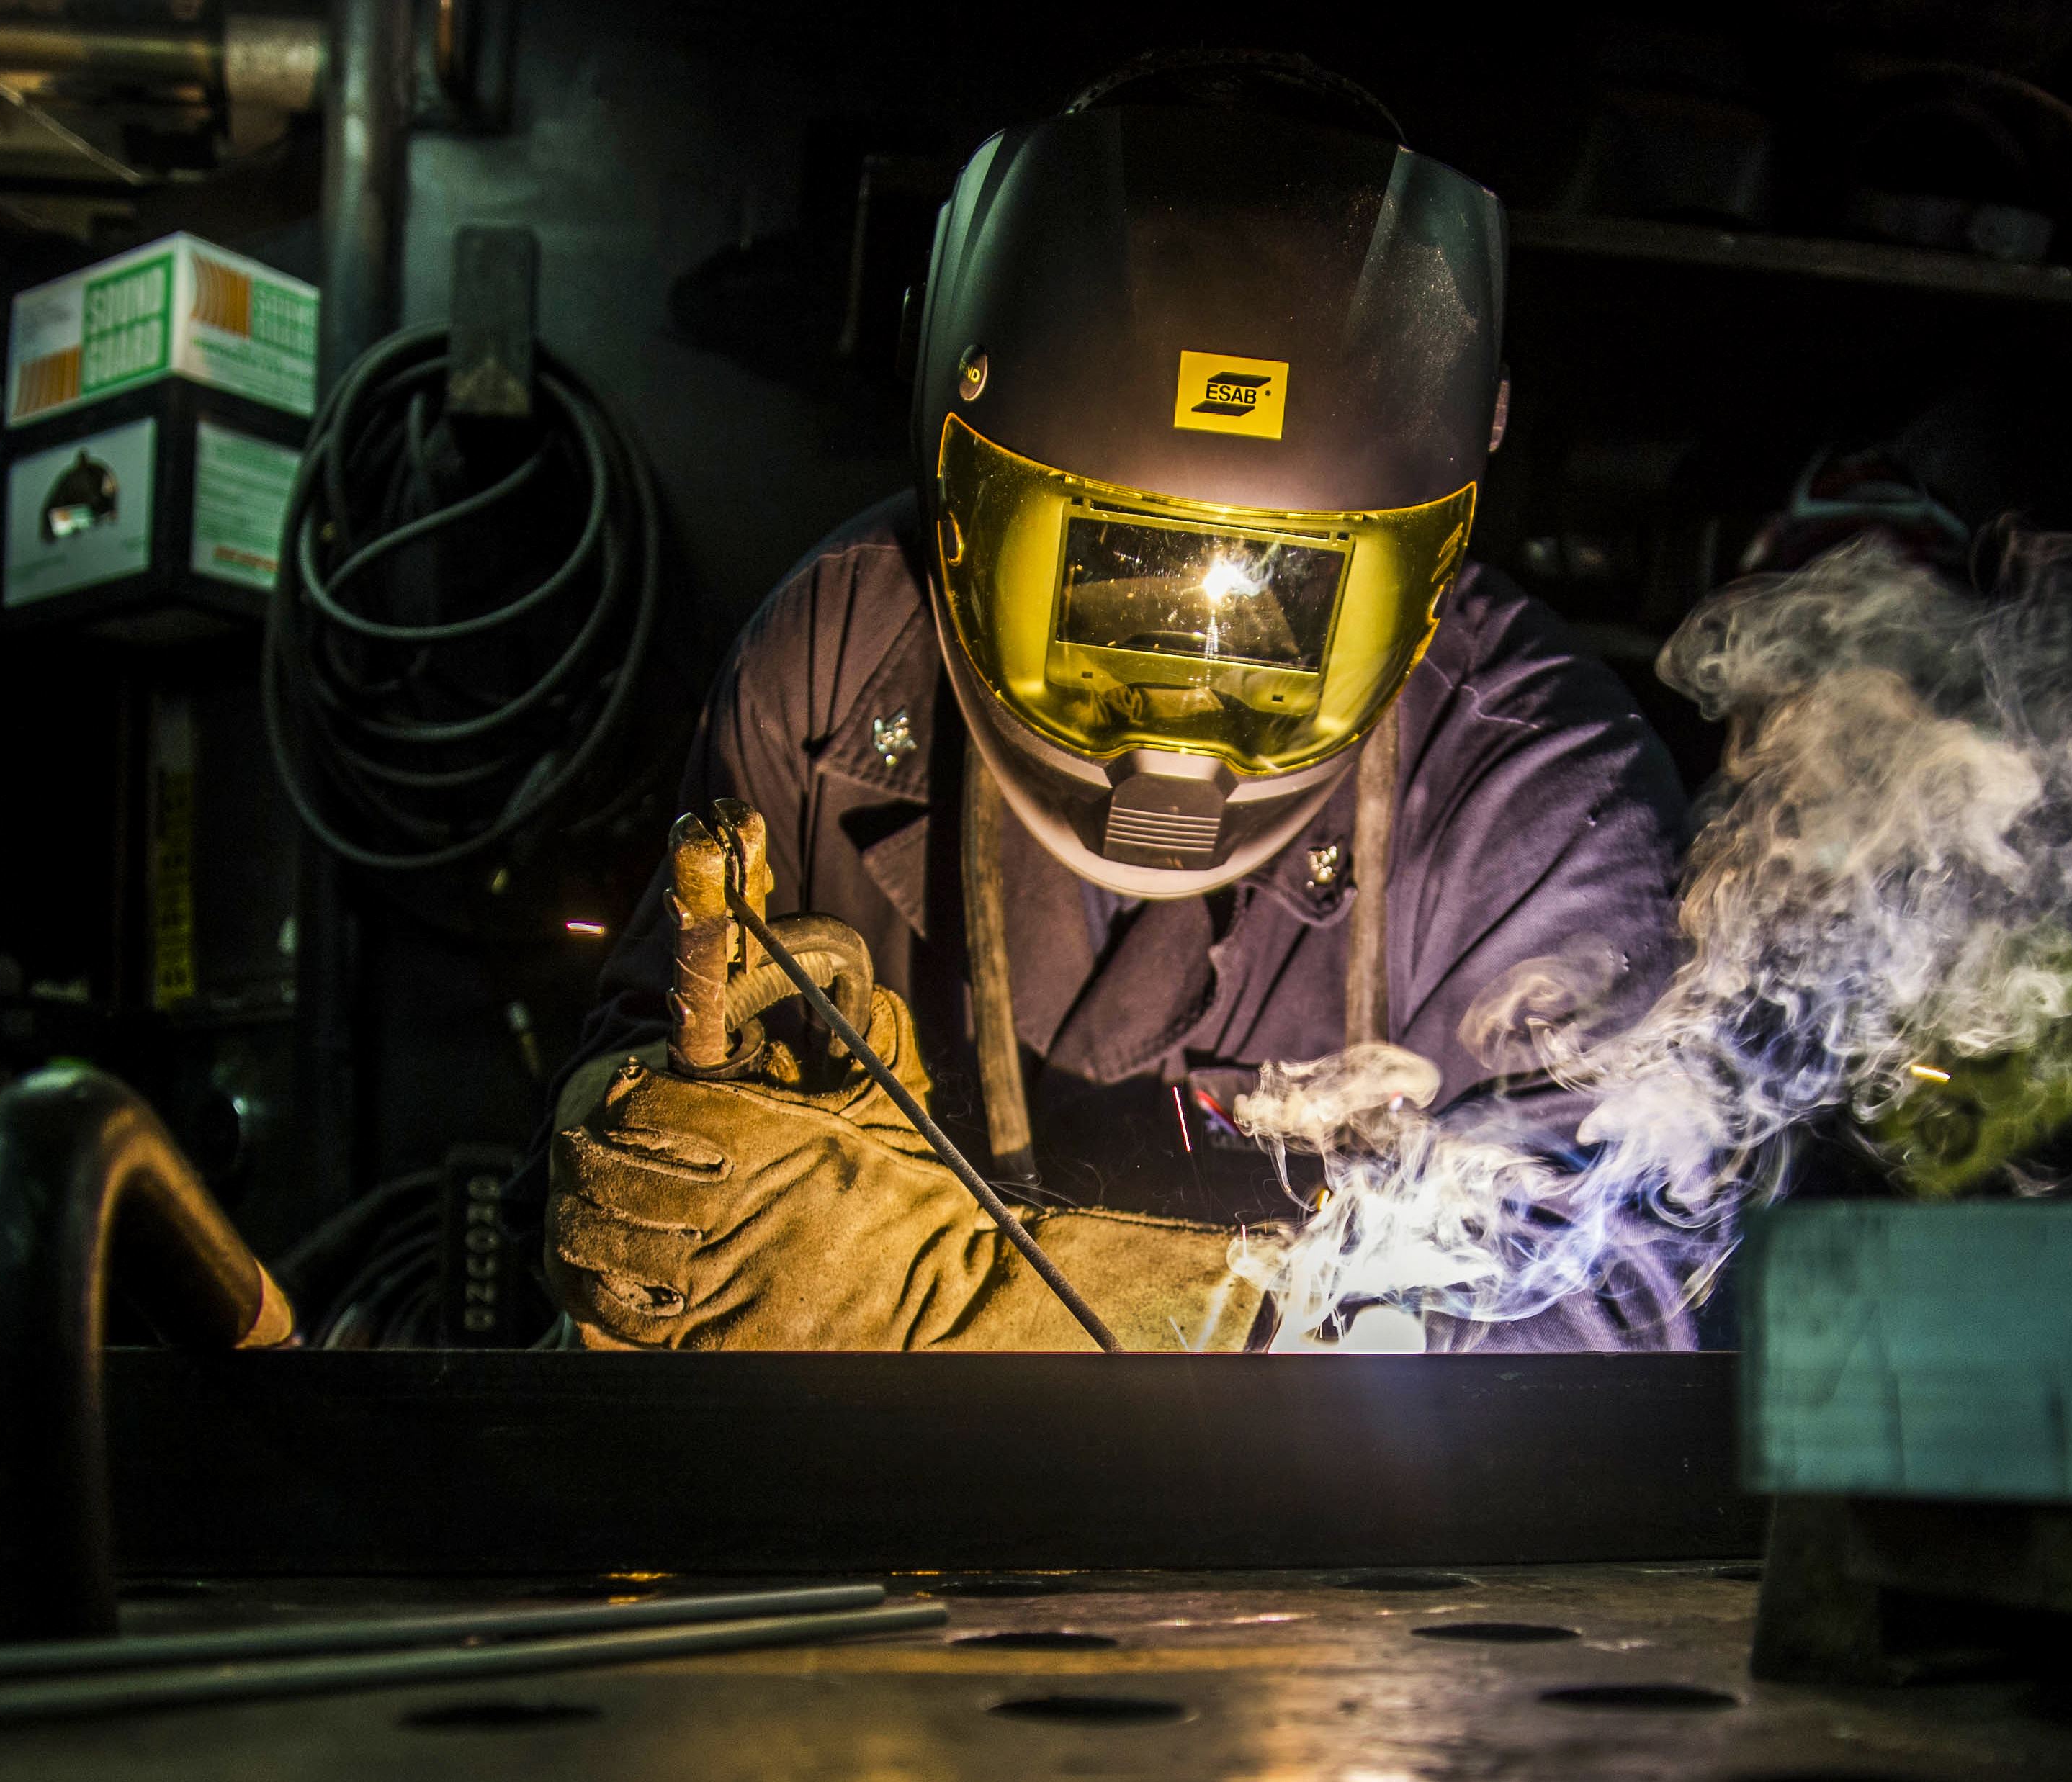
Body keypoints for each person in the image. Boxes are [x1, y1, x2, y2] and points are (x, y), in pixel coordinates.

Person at [543, 52, 1688, 1353]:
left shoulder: (1539, 789)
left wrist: (1010, 1311)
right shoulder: (843, 654)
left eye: (1284, 592)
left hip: (1317, 1561)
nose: (1188, 689)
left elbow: (1619, 1304)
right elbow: (647, 1048)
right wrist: (662, 1151)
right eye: (1118, 569)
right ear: (962, 478)